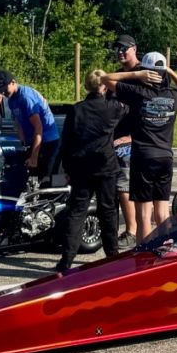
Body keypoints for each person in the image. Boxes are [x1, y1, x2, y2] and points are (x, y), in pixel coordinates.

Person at [104, 52, 177, 241]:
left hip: (143, 157)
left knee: (144, 215)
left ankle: (143, 254)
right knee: (162, 212)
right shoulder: (172, 96)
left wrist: (136, 74)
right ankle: (164, 248)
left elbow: (105, 79)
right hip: (165, 157)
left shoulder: (138, 93)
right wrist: (169, 70)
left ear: (146, 71)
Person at [57, 69, 128, 272]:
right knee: (108, 211)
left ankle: (66, 259)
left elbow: (66, 142)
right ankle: (112, 254)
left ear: (87, 86)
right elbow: (128, 105)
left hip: (80, 167)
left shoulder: (76, 110)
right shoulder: (112, 107)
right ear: (105, 86)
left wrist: (68, 168)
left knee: (76, 212)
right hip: (105, 165)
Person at [0, 71, 61, 176]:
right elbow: (19, 123)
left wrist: (34, 157)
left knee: (44, 177)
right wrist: (23, 145)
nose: (3, 93)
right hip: (32, 141)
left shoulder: (26, 98)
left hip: (47, 141)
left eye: (5, 89)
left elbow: (38, 127)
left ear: (13, 82)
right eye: (1, 91)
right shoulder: (11, 100)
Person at [110, 34, 143, 247]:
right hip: (114, 137)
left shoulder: (142, 74)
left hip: (132, 139)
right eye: (117, 49)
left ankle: (132, 230)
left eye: (124, 48)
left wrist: (132, 136)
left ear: (134, 49)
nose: (120, 52)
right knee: (115, 184)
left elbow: (150, 107)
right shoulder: (118, 75)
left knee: (124, 184)